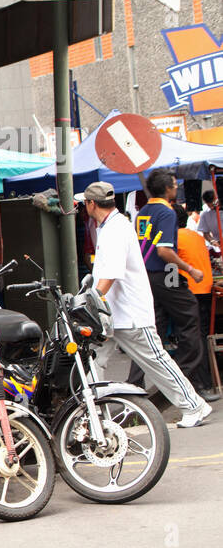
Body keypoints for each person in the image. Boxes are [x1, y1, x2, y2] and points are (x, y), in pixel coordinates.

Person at [79, 182, 210, 427]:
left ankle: (194, 405)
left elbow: (112, 273)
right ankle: (90, 417)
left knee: (156, 361)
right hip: (113, 314)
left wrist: (93, 300)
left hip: (128, 314)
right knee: (93, 361)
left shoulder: (116, 229)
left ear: (91, 204)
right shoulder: (111, 226)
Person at [130, 170, 209, 400]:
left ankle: (135, 385)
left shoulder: (142, 212)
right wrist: (190, 269)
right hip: (167, 274)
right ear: (167, 189)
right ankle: (181, 375)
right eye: (175, 184)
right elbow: (164, 250)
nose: (177, 187)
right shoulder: (167, 211)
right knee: (191, 316)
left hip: (147, 276)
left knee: (151, 331)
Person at [174, 204, 219, 398]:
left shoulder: (175, 238)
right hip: (205, 289)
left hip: (190, 291)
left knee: (192, 338)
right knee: (198, 335)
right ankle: (204, 381)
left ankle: (201, 384)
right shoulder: (196, 236)